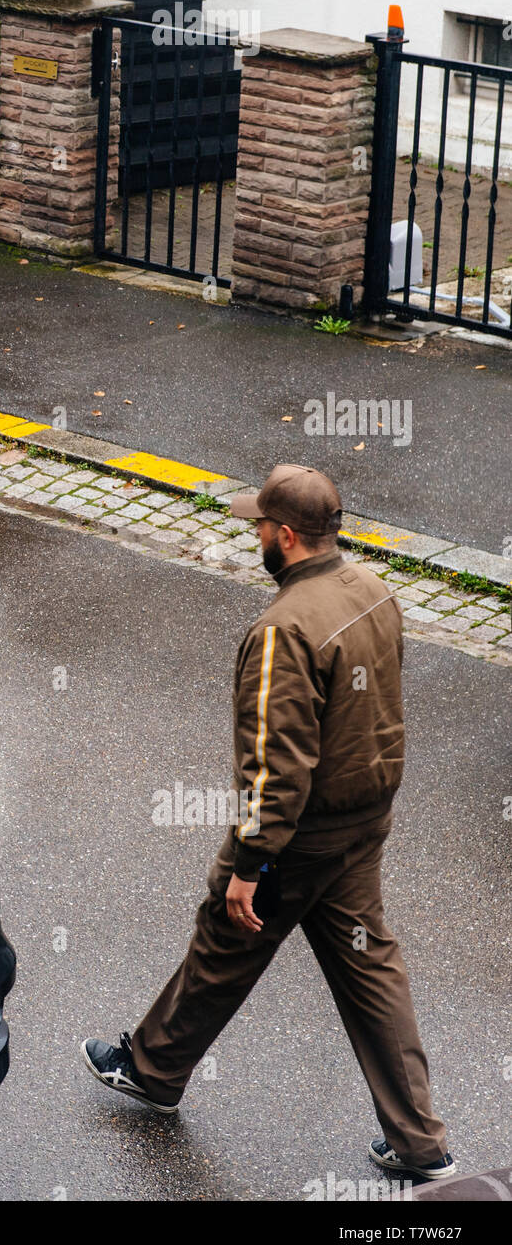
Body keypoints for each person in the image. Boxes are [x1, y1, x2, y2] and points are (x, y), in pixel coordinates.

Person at [81, 463, 454, 1180]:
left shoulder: (281, 631)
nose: (253, 534)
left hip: (303, 833)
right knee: (368, 963)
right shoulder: (373, 591)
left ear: (286, 536)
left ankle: (154, 1071)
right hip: (365, 815)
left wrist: (249, 864)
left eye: (259, 525)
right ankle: (421, 1144)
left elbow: (273, 768)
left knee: (228, 933)